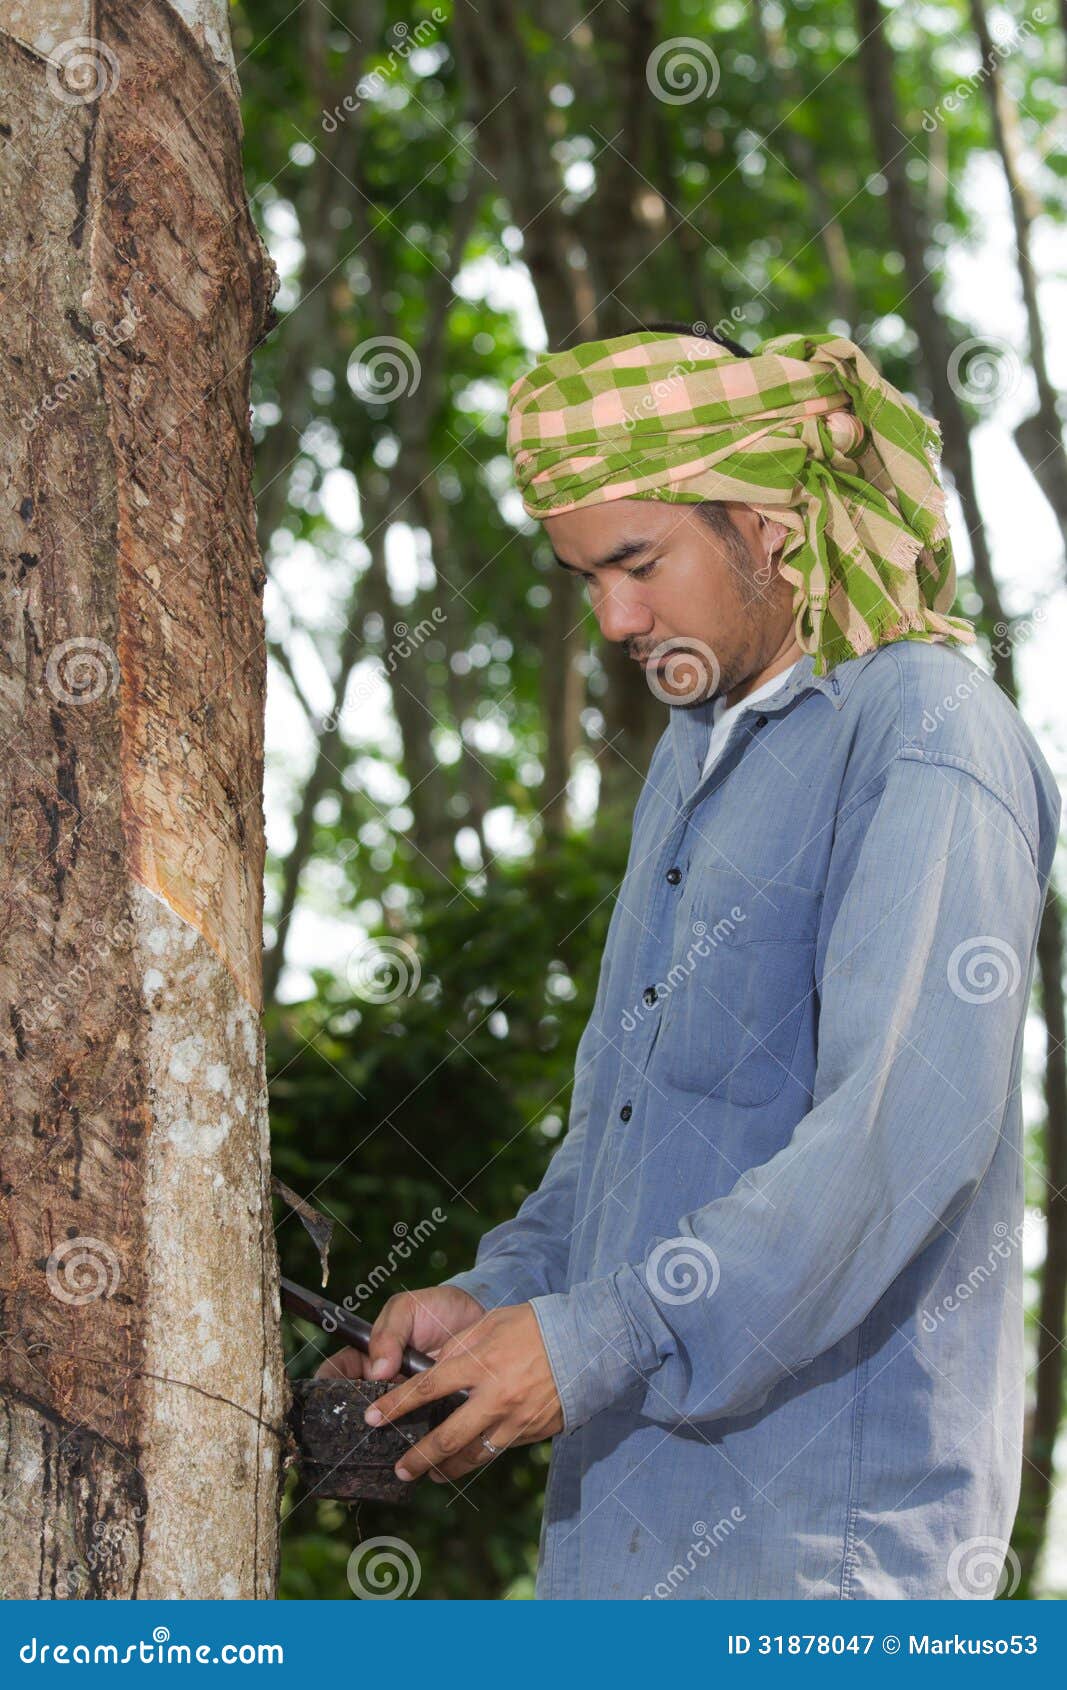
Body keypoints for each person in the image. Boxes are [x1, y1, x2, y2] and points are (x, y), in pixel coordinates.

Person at [318, 322, 1061, 1599]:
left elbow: (891, 1142)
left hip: (819, 1577)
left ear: (763, 522)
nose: (614, 616)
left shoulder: (923, 728)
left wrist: (598, 1338)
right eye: (584, 577)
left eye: (637, 561)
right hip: (612, 1561)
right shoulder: (691, 757)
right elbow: (622, 1142)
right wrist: (503, 1298)